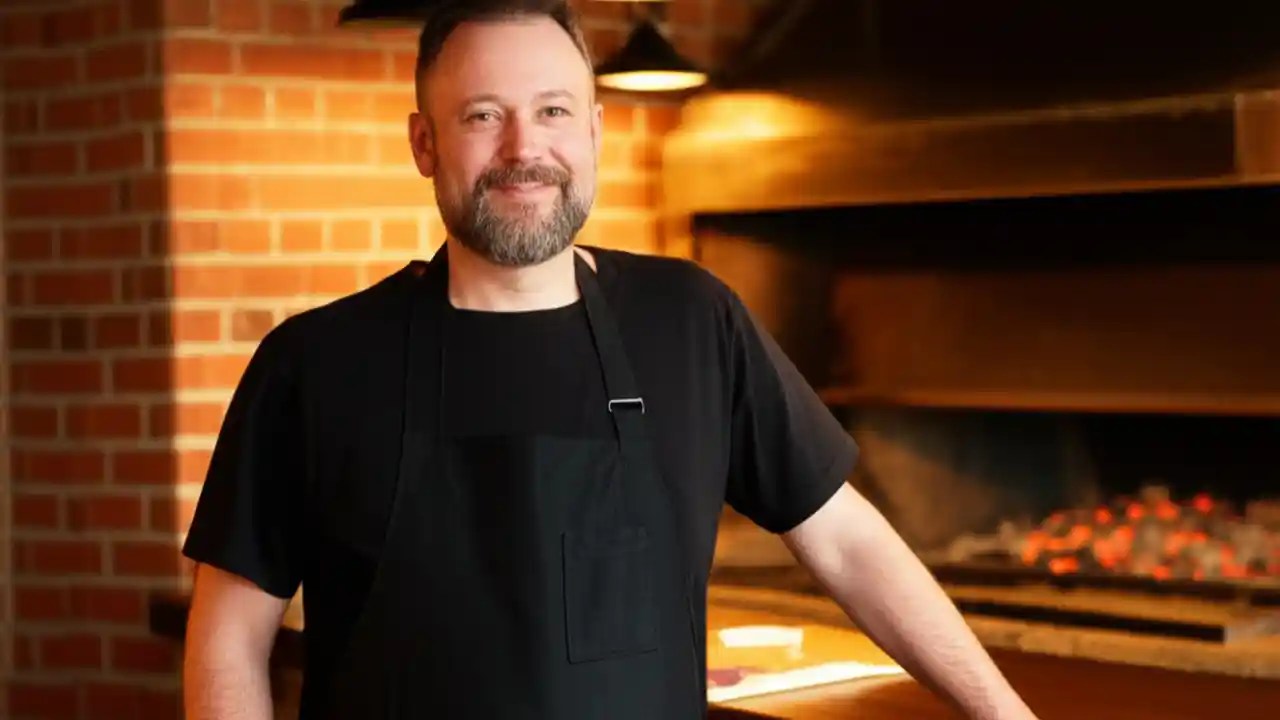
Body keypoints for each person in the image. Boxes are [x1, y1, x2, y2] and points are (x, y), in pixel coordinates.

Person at [180, 1, 1039, 718]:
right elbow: (229, 638)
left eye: (553, 111)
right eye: (483, 115)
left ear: (592, 131)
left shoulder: (693, 321)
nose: (525, 149)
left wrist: (1004, 714)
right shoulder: (315, 363)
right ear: (424, 144)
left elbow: (846, 541)